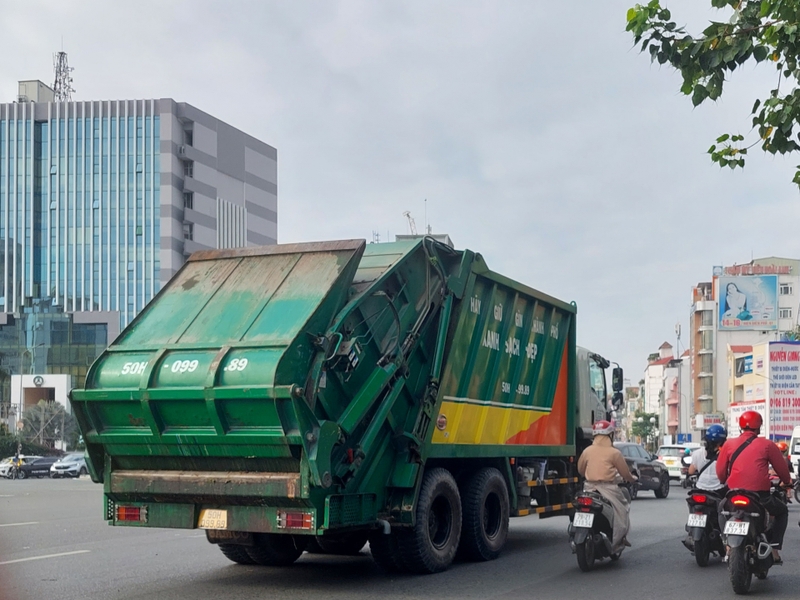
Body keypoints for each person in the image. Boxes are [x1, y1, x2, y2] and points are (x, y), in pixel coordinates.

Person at [716, 411, 792, 564]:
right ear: (759, 427)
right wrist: (787, 482)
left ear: (741, 426)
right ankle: (775, 550)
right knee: (782, 511)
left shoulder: (729, 444)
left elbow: (720, 473)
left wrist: (726, 479)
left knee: (721, 509)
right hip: (760, 496)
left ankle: (727, 544)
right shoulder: (767, 445)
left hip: (733, 493)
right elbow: (782, 470)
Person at [577, 420, 638, 554]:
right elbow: (624, 473)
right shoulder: (614, 453)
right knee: (623, 509)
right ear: (609, 435)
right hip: (609, 489)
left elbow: (580, 470)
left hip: (589, 488)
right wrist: (632, 479)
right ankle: (618, 540)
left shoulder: (587, 451)